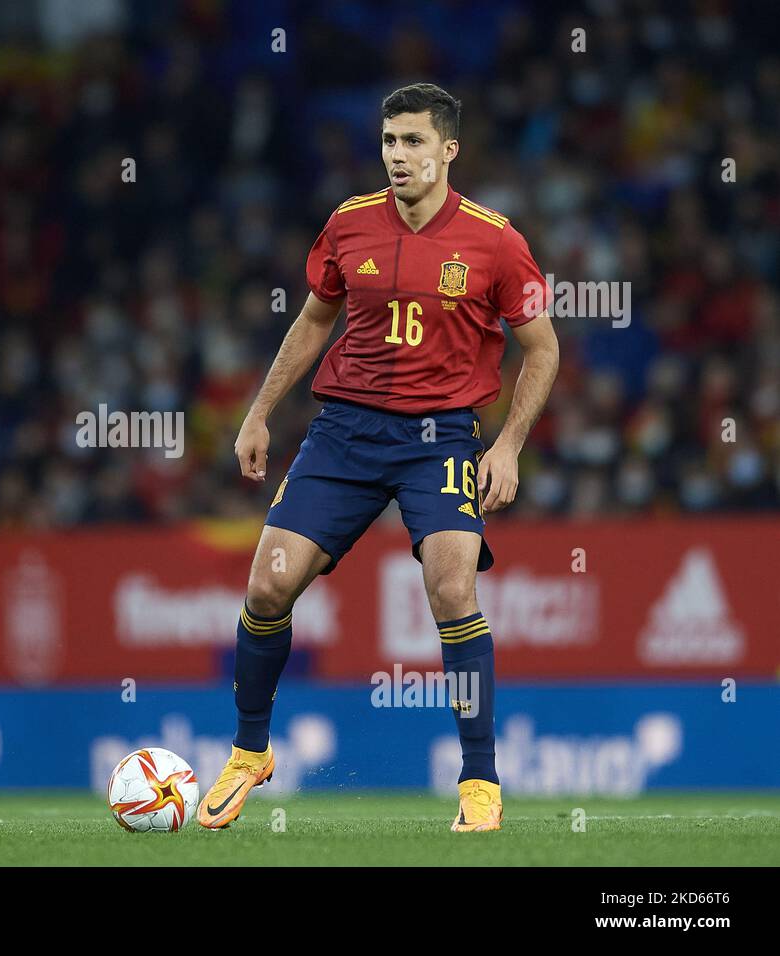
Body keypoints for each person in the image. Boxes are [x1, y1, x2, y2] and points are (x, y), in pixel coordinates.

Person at [198, 83, 560, 832]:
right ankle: (250, 751)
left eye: (414, 142)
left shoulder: (495, 241)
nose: (398, 155)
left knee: (453, 588)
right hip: (344, 433)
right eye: (390, 141)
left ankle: (480, 783)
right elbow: (313, 321)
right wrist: (259, 413)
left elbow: (543, 348)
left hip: (441, 439)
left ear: (448, 150)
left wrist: (509, 445)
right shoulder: (349, 224)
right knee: (267, 590)